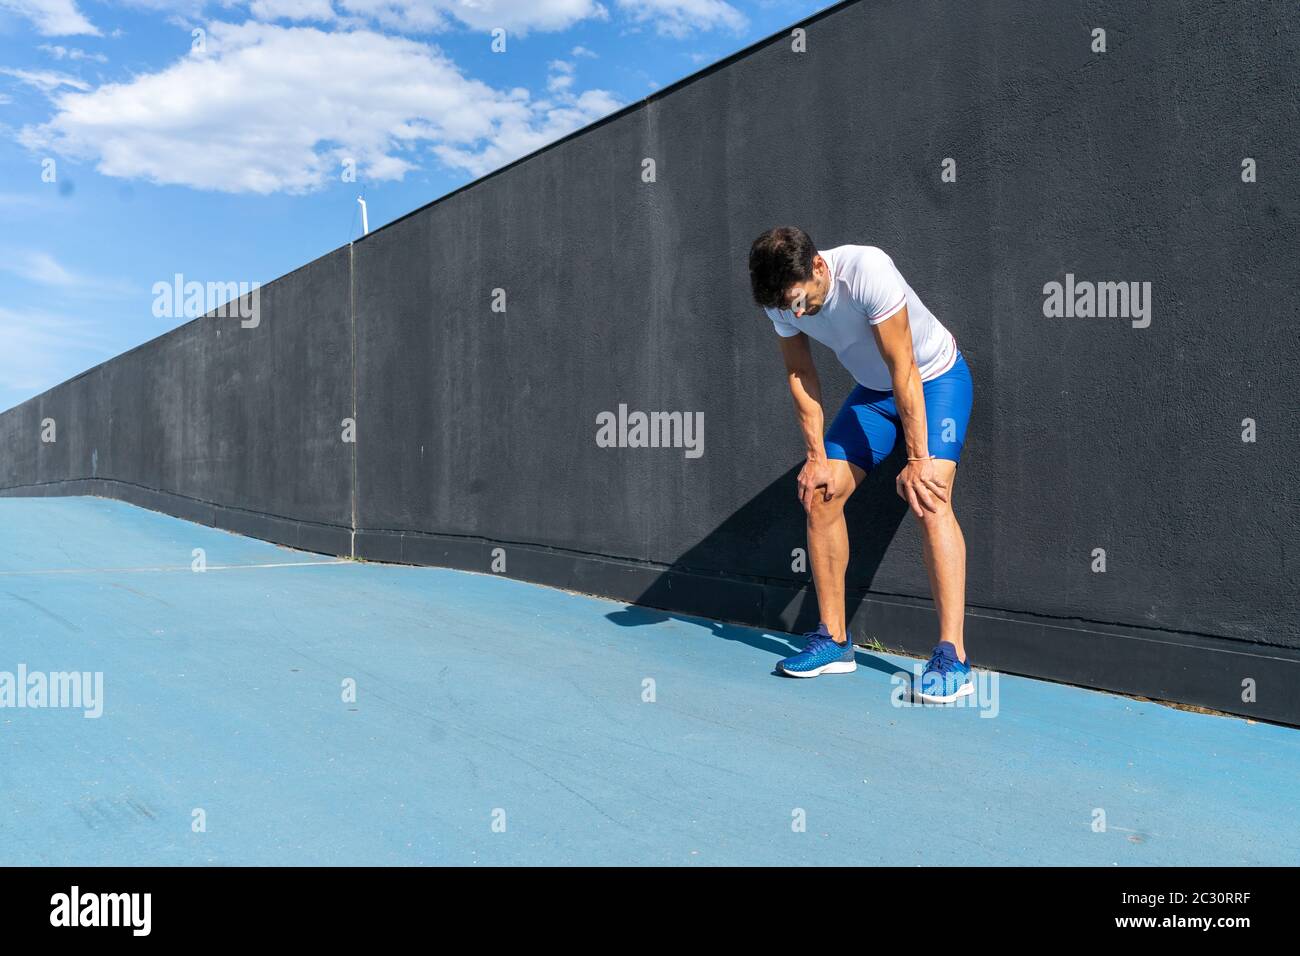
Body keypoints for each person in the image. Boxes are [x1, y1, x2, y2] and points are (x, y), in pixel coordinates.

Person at [748, 226, 975, 702]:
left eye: (798, 301)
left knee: (931, 496)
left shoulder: (866, 270)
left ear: (817, 267)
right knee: (820, 492)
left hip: (934, 378)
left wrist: (916, 459)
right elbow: (799, 372)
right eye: (785, 307)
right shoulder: (779, 298)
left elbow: (904, 366)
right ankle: (833, 640)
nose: (796, 312)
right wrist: (816, 459)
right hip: (874, 396)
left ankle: (952, 654)